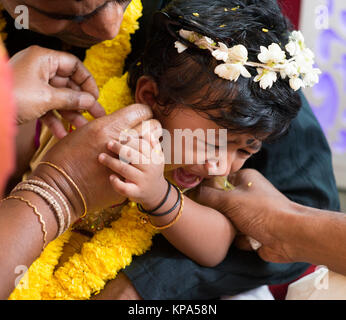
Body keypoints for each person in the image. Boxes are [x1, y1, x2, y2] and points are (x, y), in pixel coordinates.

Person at [0, 0, 340, 300]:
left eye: (246, 150)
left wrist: (161, 197)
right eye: (211, 142)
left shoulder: (209, 166)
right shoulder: (93, 111)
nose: (221, 165)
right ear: (149, 97)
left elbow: (216, 245)